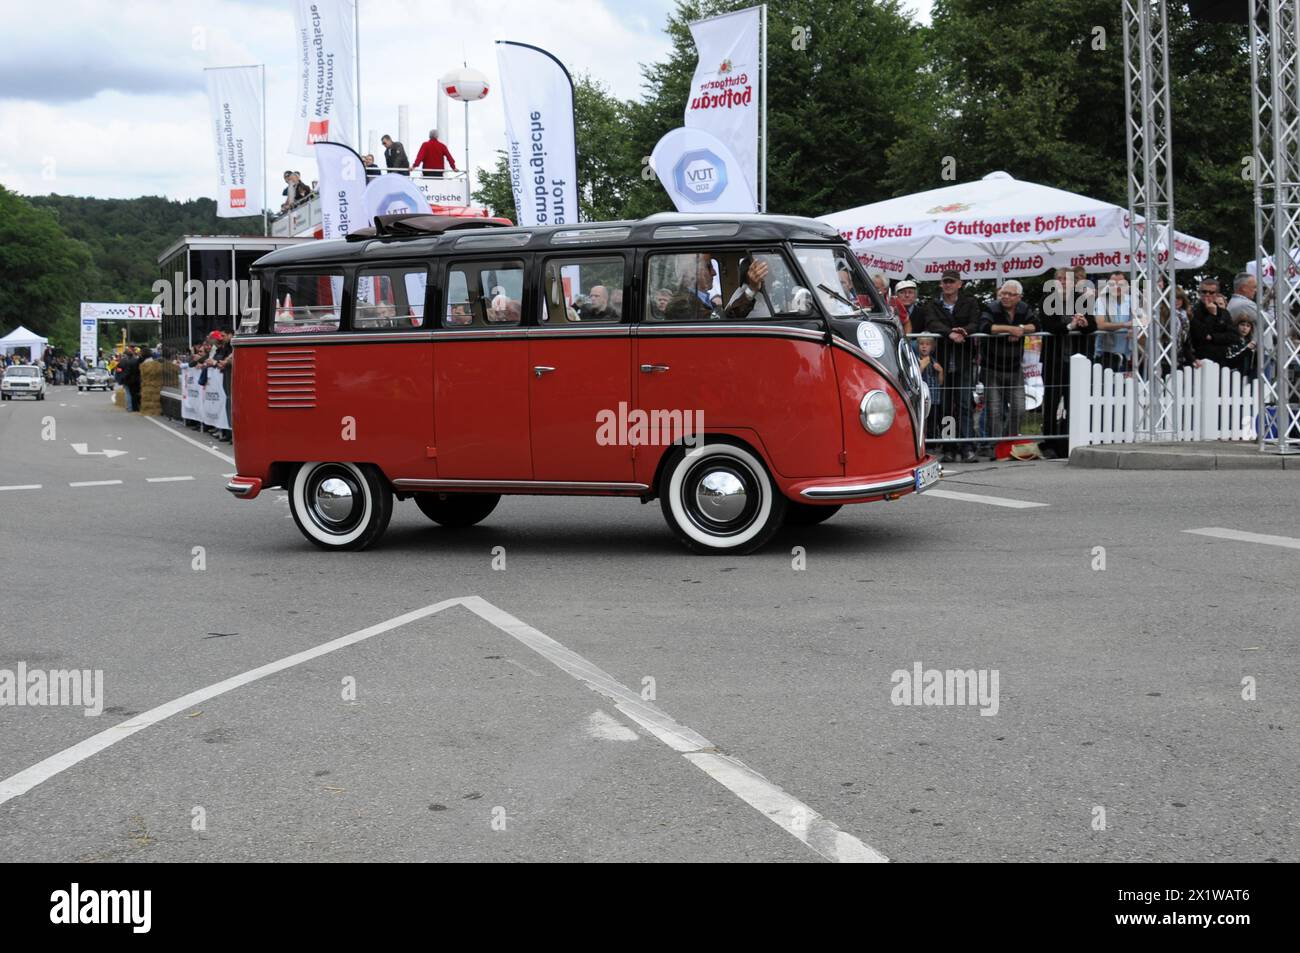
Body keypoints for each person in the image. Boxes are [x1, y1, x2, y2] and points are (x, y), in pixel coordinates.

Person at [916, 269, 980, 463]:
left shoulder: (969, 302)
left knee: (964, 405)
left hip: (962, 362)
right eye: (945, 282)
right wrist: (950, 333)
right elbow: (932, 323)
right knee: (945, 407)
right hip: (941, 363)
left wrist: (964, 331)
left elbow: (975, 323)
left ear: (960, 284)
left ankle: (967, 446)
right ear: (941, 284)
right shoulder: (933, 305)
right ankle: (949, 445)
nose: (948, 285)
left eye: (951, 281)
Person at [978, 280, 1038, 455]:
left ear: (1019, 297)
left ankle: (1007, 441)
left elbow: (1036, 325)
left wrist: (1020, 328)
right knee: (994, 410)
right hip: (992, 368)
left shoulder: (1024, 309)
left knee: (1019, 407)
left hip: (1014, 368)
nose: (1005, 297)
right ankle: (996, 446)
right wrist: (1011, 330)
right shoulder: (992, 308)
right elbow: (985, 326)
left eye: (1010, 294)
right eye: (1003, 293)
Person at [1189, 277, 1236, 365]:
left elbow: (1233, 336)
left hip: (1221, 359)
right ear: (1199, 293)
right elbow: (1199, 335)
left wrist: (1213, 337)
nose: (1207, 294)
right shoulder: (1193, 312)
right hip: (1200, 359)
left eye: (1211, 292)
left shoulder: (1224, 313)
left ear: (1216, 294)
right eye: (1204, 292)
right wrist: (1212, 315)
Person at [1093, 272, 1134, 372]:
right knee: (1106, 386)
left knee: (1127, 387)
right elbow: (1100, 324)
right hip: (1106, 354)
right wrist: (1125, 325)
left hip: (1129, 355)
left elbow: (1141, 321)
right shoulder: (1101, 301)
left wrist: (1135, 328)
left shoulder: (1132, 300)